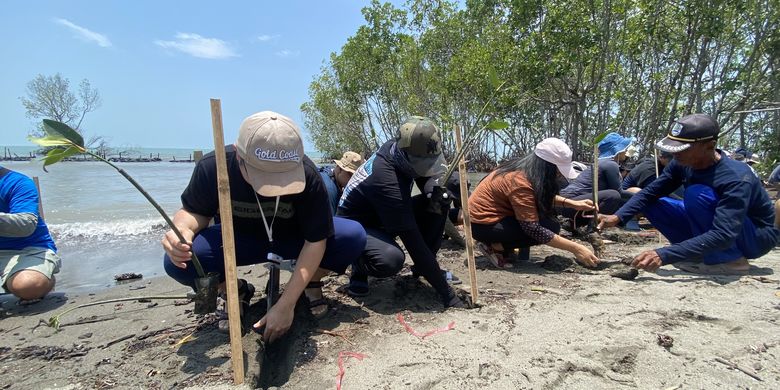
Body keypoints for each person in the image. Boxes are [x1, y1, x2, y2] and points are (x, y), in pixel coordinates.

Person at [161, 111, 366, 342]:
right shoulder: (214, 166)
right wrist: (183, 230)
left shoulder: (309, 174)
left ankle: (309, 282)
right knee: (180, 260)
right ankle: (232, 290)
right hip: (238, 239)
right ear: (239, 157)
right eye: (264, 176)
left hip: (292, 237)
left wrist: (286, 304)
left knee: (353, 235)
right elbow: (193, 212)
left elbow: (316, 240)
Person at [598, 113, 780, 275]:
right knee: (650, 201)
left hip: (754, 237)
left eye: (683, 149)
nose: (675, 154)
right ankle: (698, 255)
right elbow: (650, 193)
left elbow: (724, 232)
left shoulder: (736, 178)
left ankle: (731, 261)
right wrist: (617, 217)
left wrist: (664, 254)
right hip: (720, 229)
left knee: (696, 194)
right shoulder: (681, 163)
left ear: (710, 146)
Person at [337, 116, 465, 308]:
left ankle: (424, 269)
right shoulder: (387, 180)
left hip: (381, 215)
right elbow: (412, 242)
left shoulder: (397, 148)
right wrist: (448, 295)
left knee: (440, 200)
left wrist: (434, 189)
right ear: (406, 156)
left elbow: (426, 175)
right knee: (391, 259)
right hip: (356, 227)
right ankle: (359, 266)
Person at [469, 138, 600, 268]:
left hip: (498, 218)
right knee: (548, 228)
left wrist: (573, 203)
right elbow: (532, 228)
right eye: (558, 171)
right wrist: (576, 248)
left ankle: (503, 247)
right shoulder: (519, 180)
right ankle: (493, 246)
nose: (559, 175)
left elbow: (533, 197)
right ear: (547, 167)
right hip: (484, 225)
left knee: (550, 224)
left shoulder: (525, 170)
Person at [0, 166, 61, 302]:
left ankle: (44, 277)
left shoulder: (18, 182)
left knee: (28, 285)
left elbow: (26, 225)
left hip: (28, 249)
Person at [559, 132, 634, 228]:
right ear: (618, 150)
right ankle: (592, 228)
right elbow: (619, 192)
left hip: (567, 203)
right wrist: (643, 196)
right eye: (624, 148)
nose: (626, 150)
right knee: (613, 195)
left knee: (615, 197)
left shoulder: (602, 163)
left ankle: (574, 224)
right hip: (571, 204)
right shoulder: (610, 164)